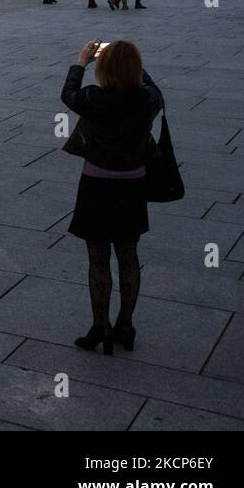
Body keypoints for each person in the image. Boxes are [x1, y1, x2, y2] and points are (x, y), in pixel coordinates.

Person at [62, 39, 162, 355]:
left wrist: (81, 60)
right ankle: (126, 325)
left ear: (102, 69)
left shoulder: (93, 98)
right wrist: (133, 66)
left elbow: (68, 94)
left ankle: (99, 326)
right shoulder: (148, 100)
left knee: (97, 257)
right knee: (128, 254)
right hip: (132, 185)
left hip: (96, 184)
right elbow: (154, 88)